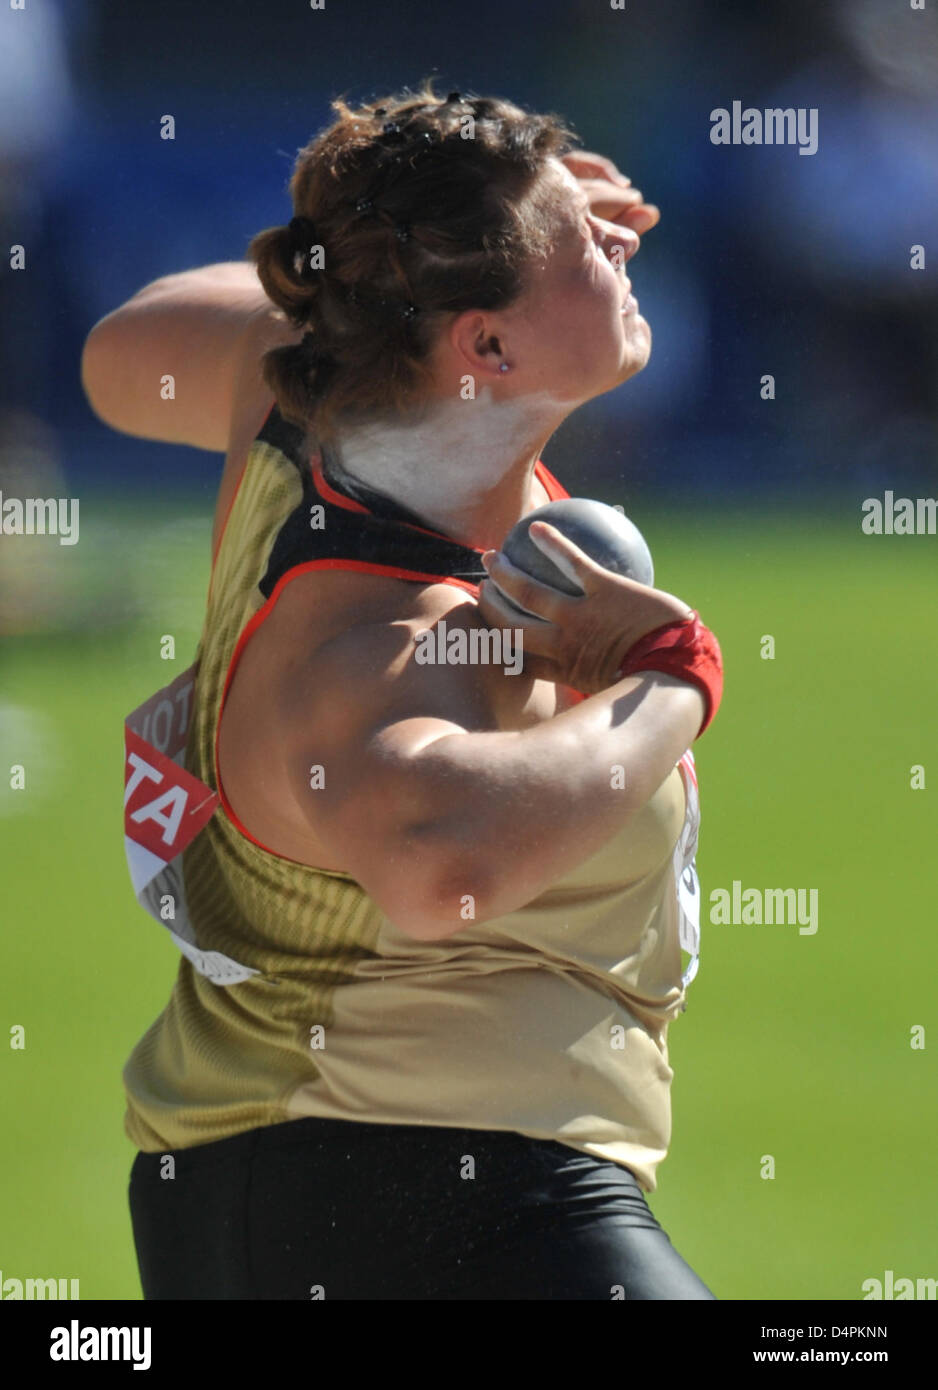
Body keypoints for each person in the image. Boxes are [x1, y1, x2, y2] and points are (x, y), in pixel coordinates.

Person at [82, 81, 723, 1300]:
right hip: (403, 1193)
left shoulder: (286, 392)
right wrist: (670, 676)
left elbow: (122, 351)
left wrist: (417, 255)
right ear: (485, 346)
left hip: (305, 1183)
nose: (620, 240)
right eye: (584, 241)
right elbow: (443, 862)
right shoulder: (376, 637)